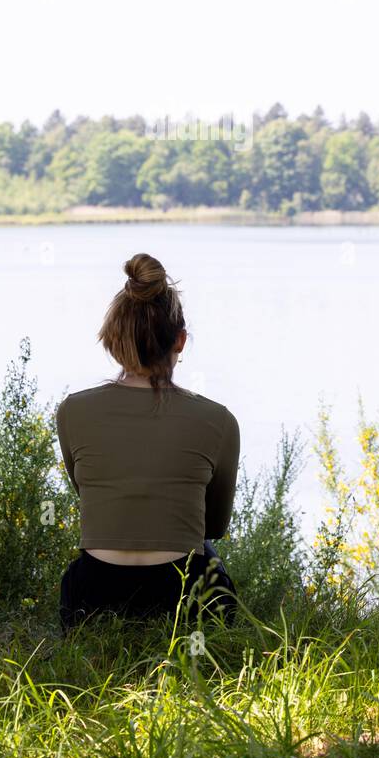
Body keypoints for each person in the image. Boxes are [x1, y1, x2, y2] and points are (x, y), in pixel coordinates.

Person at [56, 252, 240, 632]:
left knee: (79, 573)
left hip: (93, 595)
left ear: (112, 339)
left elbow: (90, 494)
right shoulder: (218, 420)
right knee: (212, 562)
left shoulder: (72, 412)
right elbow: (215, 525)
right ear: (180, 340)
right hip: (183, 593)